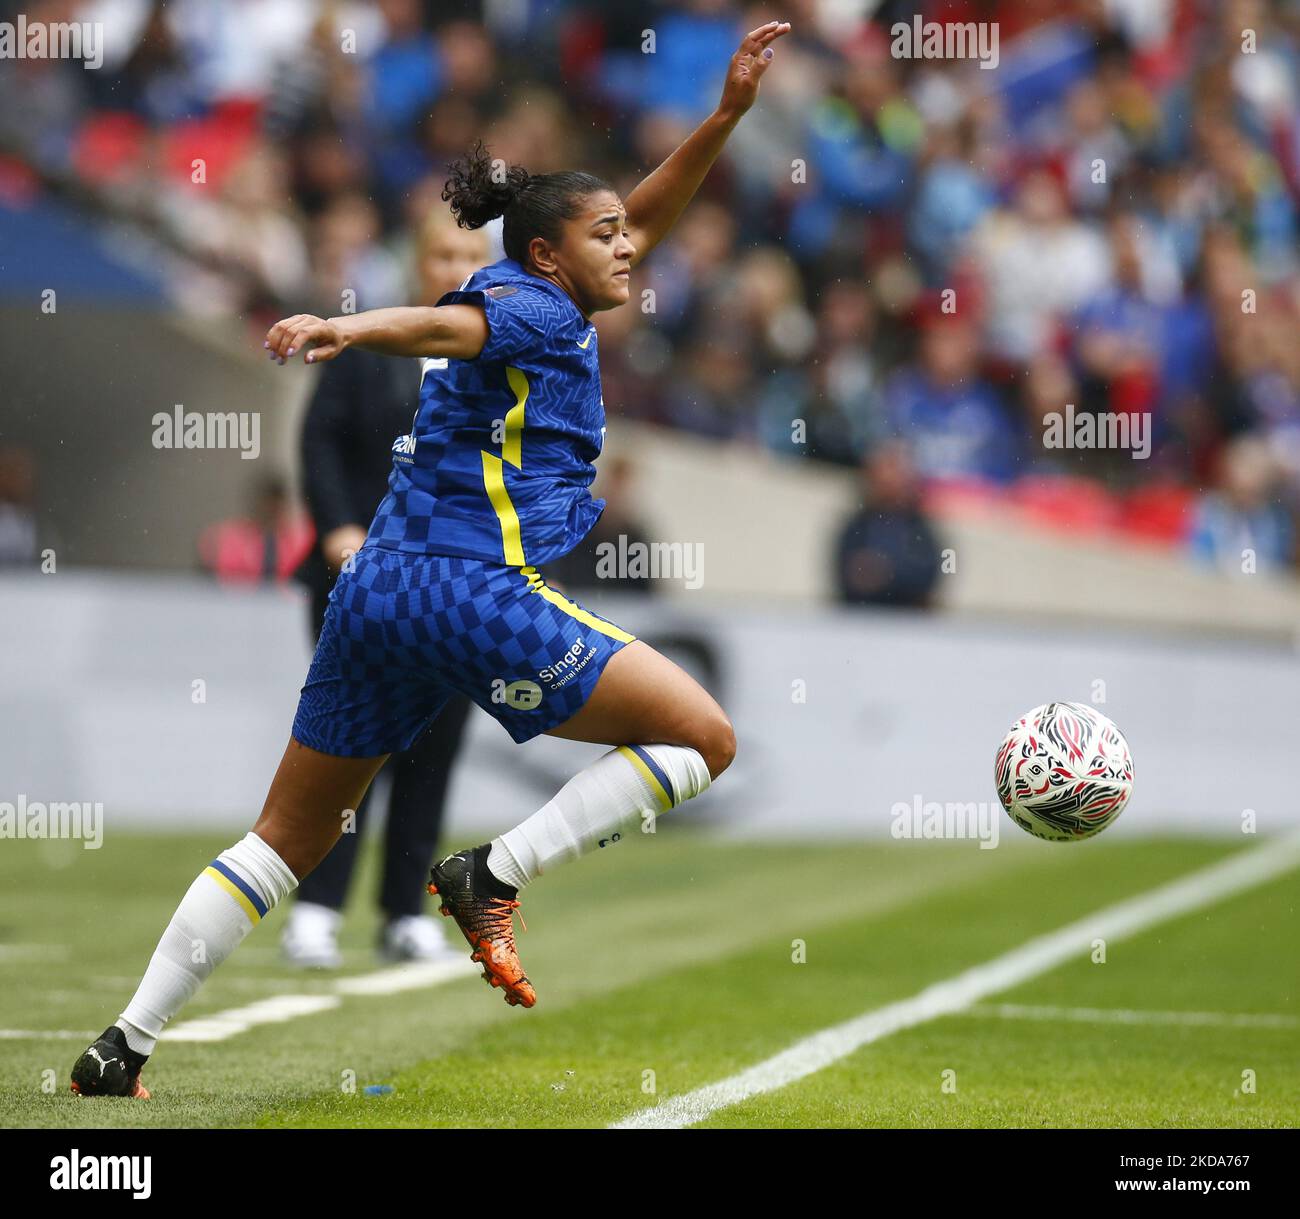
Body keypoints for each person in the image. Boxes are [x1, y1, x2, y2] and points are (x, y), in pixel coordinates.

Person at [71, 19, 790, 1098]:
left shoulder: (561, 282)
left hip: (376, 593)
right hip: (469, 588)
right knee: (702, 736)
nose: (629, 245)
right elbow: (448, 325)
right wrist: (349, 330)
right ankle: (489, 872)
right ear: (550, 252)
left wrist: (726, 117)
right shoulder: (526, 305)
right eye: (606, 235)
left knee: (284, 838)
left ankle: (123, 1042)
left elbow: (645, 211)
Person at [280, 206, 492, 968]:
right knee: (348, 744)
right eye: (442, 252)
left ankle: (406, 911)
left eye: (471, 252)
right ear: (417, 262)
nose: (456, 267)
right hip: (358, 581)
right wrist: (336, 527)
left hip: (460, 591)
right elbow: (318, 440)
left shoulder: (500, 357)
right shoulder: (370, 342)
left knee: (436, 749)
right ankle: (316, 910)